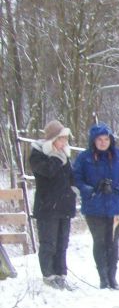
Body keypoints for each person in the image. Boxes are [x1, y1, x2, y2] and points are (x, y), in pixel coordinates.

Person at [72, 123, 119, 290]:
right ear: (93, 141)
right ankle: (103, 278)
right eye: (99, 139)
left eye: (106, 139)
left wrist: (118, 189)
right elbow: (76, 178)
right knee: (100, 241)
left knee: (113, 243)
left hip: (116, 207)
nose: (103, 142)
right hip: (94, 207)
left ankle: (112, 278)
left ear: (111, 140)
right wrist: (90, 189)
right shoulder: (84, 158)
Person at [29, 120, 76, 290]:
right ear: (53, 139)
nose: (64, 142)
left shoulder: (64, 156)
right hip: (47, 206)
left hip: (64, 206)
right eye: (61, 138)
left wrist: (74, 190)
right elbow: (47, 172)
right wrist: (56, 158)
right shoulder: (38, 155)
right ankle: (48, 275)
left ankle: (61, 274)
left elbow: (70, 177)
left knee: (62, 243)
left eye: (65, 139)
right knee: (49, 243)